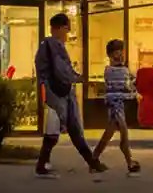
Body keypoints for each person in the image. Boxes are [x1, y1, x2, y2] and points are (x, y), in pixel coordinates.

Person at [34, 12, 108, 179]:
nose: (67, 34)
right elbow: (61, 71)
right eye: (67, 29)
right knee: (57, 127)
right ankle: (42, 164)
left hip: (59, 91)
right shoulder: (53, 45)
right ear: (58, 28)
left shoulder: (48, 46)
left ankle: (92, 162)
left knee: (71, 128)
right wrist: (77, 79)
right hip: (58, 92)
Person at [93, 39, 142, 176]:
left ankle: (94, 158)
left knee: (108, 135)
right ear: (111, 55)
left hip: (114, 105)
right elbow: (126, 87)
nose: (121, 55)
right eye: (118, 52)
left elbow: (124, 87)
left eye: (122, 52)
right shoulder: (120, 71)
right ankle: (130, 163)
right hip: (117, 107)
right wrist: (135, 94)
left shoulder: (109, 70)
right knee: (124, 136)